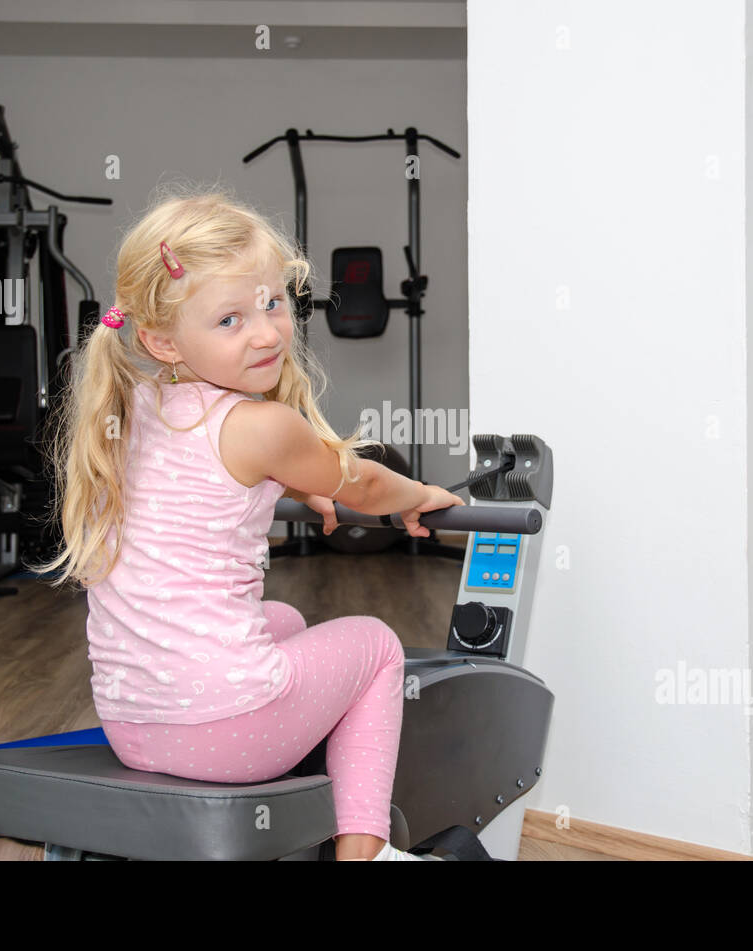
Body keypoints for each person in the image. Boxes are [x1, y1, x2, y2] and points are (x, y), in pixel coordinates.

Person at [34, 184, 464, 861]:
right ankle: (367, 852)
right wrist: (417, 494)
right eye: (230, 320)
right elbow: (368, 482)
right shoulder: (262, 425)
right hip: (225, 729)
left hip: (132, 723)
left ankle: (296, 781)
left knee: (285, 622)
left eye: (271, 303)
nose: (266, 330)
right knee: (377, 645)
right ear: (162, 339)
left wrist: (295, 479)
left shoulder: (130, 408)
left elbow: (197, 480)